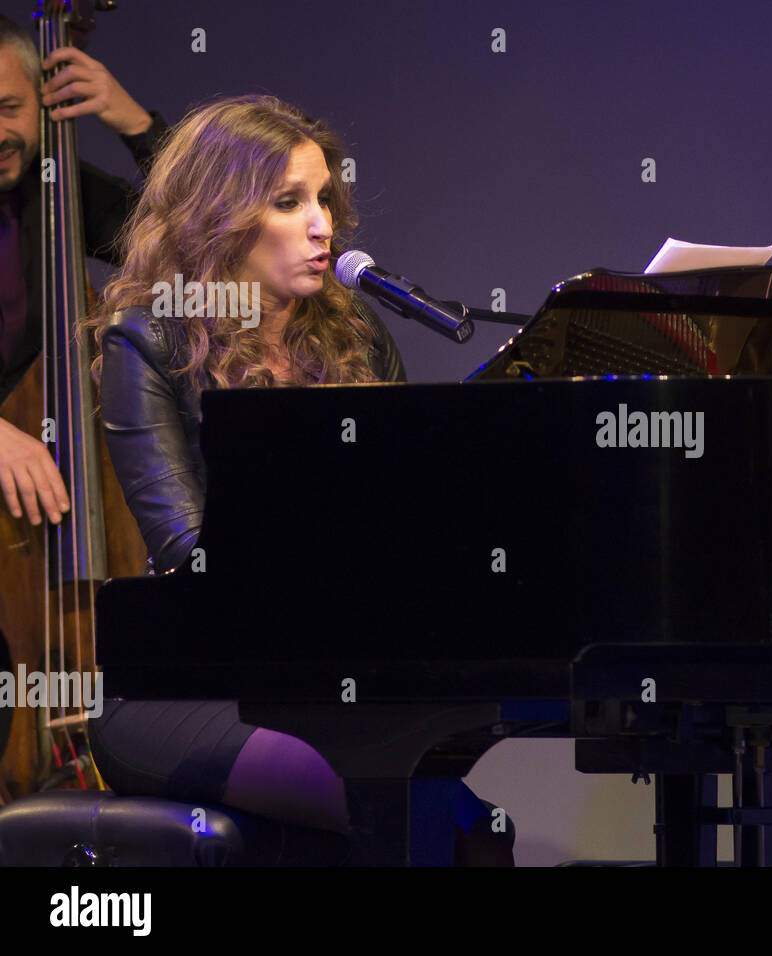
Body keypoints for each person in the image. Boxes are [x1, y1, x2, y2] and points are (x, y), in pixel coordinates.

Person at [81, 94, 514, 865]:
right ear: (219, 214)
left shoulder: (357, 333)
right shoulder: (147, 339)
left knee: (472, 826)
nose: (323, 226)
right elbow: (188, 551)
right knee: (418, 811)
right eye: (289, 202)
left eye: (324, 199)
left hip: (329, 677)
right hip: (189, 689)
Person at [0, 13, 167, 524]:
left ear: (42, 96)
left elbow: (204, 240)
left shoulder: (60, 189)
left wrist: (140, 127)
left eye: (8, 108)